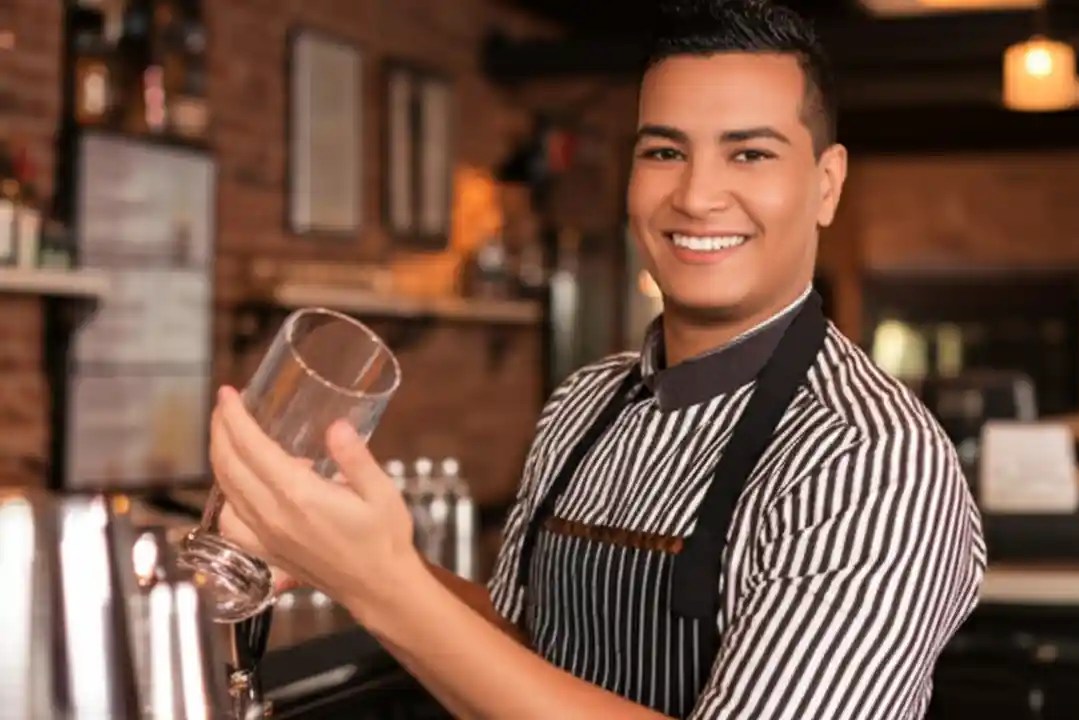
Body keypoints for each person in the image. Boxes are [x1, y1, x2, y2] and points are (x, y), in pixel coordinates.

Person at [208, 0, 987, 717]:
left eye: (749, 154)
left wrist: (382, 584)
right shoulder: (584, 403)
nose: (697, 196)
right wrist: (346, 558)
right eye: (665, 151)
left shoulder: (874, 461)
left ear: (826, 184)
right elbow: (518, 654)